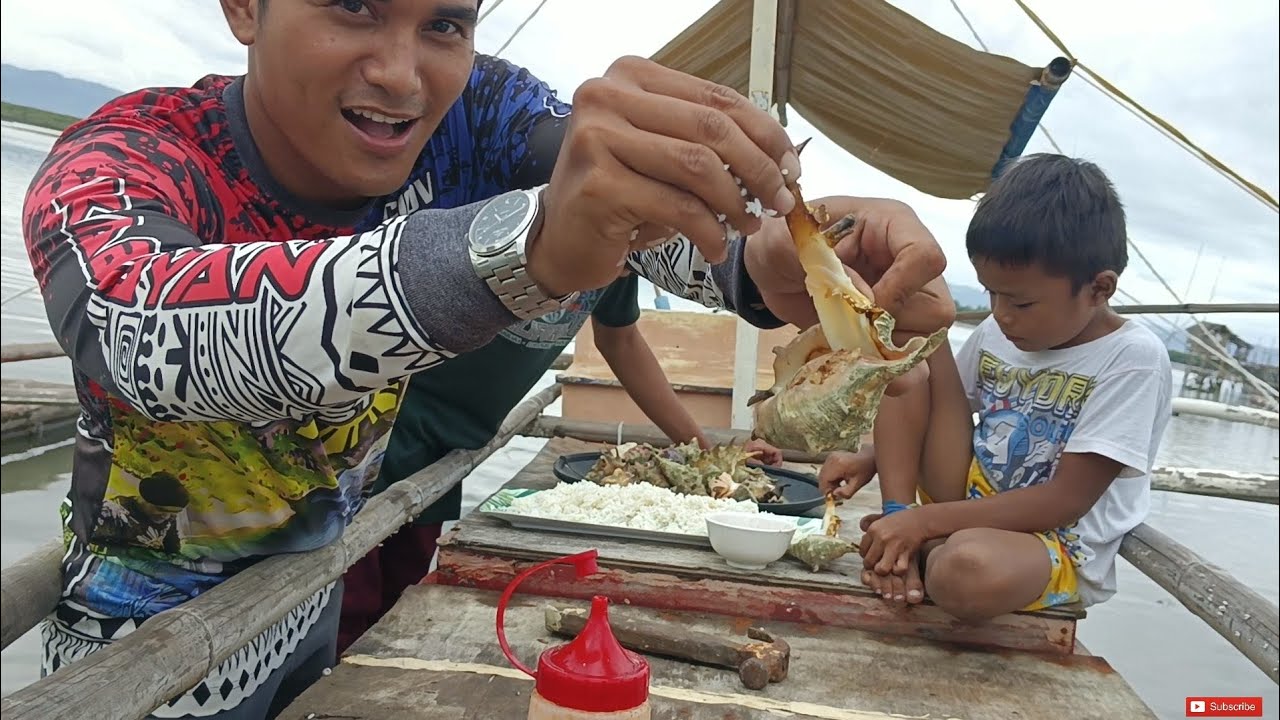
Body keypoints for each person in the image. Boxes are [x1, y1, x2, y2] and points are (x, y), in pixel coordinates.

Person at [21, 0, 952, 716]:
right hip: (143, 658)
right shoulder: (125, 158)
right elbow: (144, 338)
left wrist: (793, 262)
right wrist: (535, 247)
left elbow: (620, 204)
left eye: (446, 23)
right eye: (353, 5)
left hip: (311, 602)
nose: (401, 75)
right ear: (244, 7)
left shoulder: (473, 116)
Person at [820, 154, 1173, 621]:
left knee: (966, 569)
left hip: (1049, 541)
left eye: (1022, 302)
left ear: (1099, 288)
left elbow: (1065, 500)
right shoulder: (998, 330)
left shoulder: (1132, 359)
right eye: (992, 293)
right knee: (910, 329)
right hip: (962, 505)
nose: (1002, 314)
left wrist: (924, 523)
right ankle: (897, 517)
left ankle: (915, 546)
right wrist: (871, 460)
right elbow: (927, 404)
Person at [337, 268, 732, 651]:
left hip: (450, 442)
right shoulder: (511, 220)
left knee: (400, 595)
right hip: (379, 428)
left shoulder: (624, 263)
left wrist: (706, 453)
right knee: (346, 604)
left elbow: (621, 341)